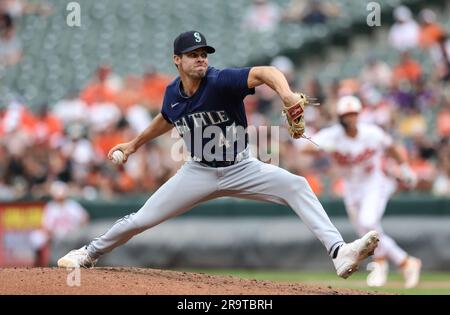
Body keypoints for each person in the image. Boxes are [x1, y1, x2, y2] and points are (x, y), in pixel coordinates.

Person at [57, 31, 379, 279]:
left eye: (203, 53)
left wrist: (286, 93)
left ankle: (340, 252)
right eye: (192, 54)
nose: (201, 59)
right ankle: (88, 252)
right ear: (176, 60)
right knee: (140, 219)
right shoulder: (172, 93)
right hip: (198, 171)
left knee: (297, 185)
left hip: (241, 166)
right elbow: (167, 117)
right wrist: (132, 145)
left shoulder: (220, 81)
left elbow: (265, 71)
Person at [302, 95, 422, 288]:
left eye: (354, 114)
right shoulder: (332, 135)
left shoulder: (370, 132)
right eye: (347, 114)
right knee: (365, 232)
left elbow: (392, 147)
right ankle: (406, 262)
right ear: (340, 117)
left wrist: (405, 168)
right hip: (350, 188)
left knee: (368, 223)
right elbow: (305, 148)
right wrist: (321, 147)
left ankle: (380, 264)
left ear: (359, 115)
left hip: (374, 183)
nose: (351, 118)